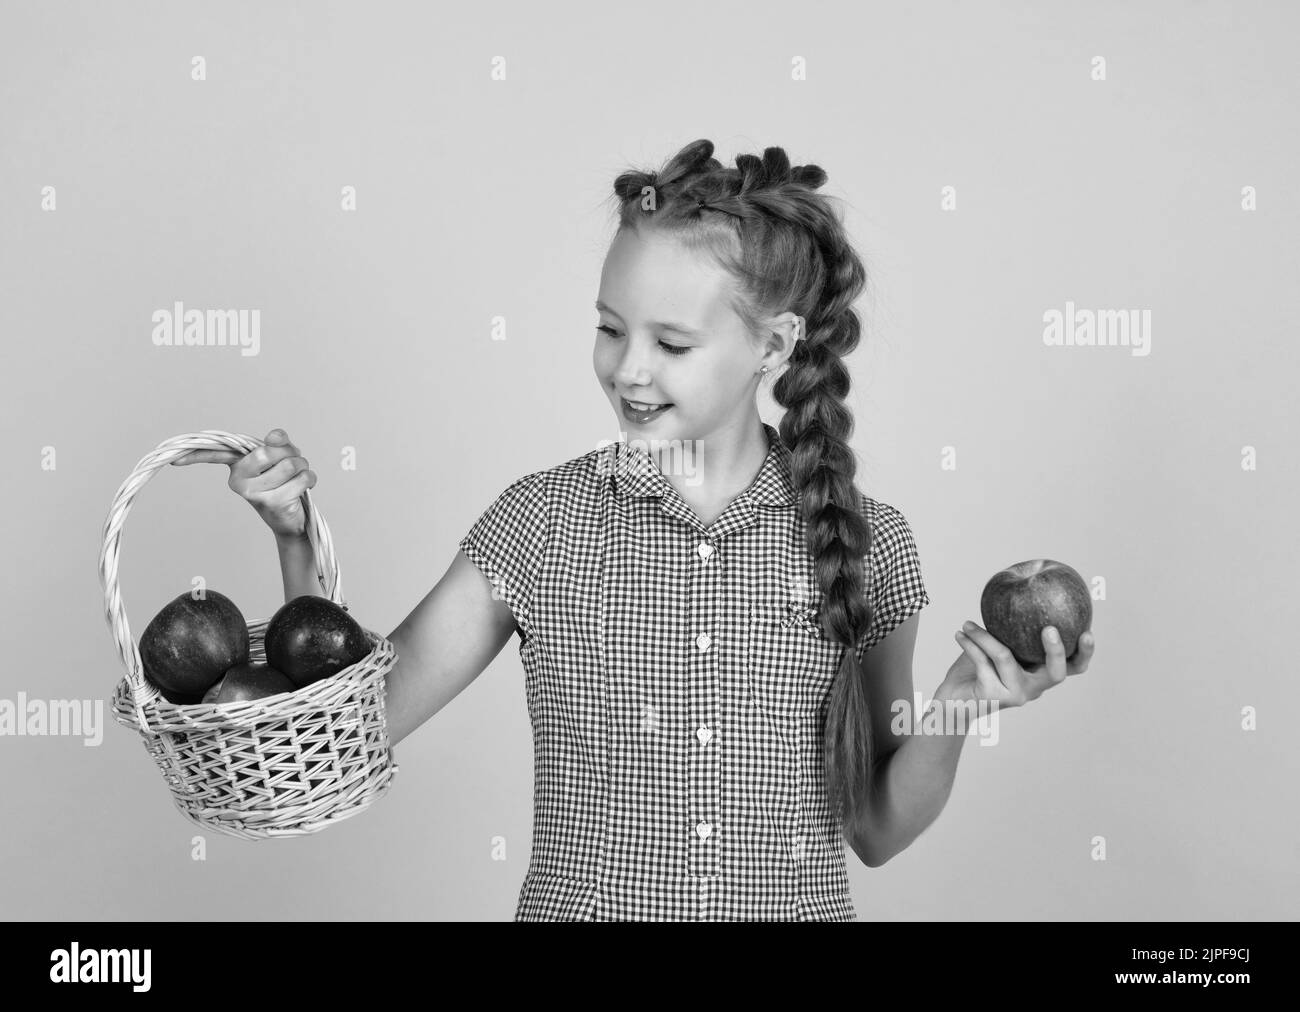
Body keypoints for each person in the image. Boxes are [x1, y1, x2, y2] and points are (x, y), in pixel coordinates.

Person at [174, 138, 1095, 921]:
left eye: (672, 343)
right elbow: (345, 737)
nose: (628, 371)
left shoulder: (868, 543)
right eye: (611, 330)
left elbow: (877, 830)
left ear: (774, 346)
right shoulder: (540, 524)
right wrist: (294, 537)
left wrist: (963, 700)